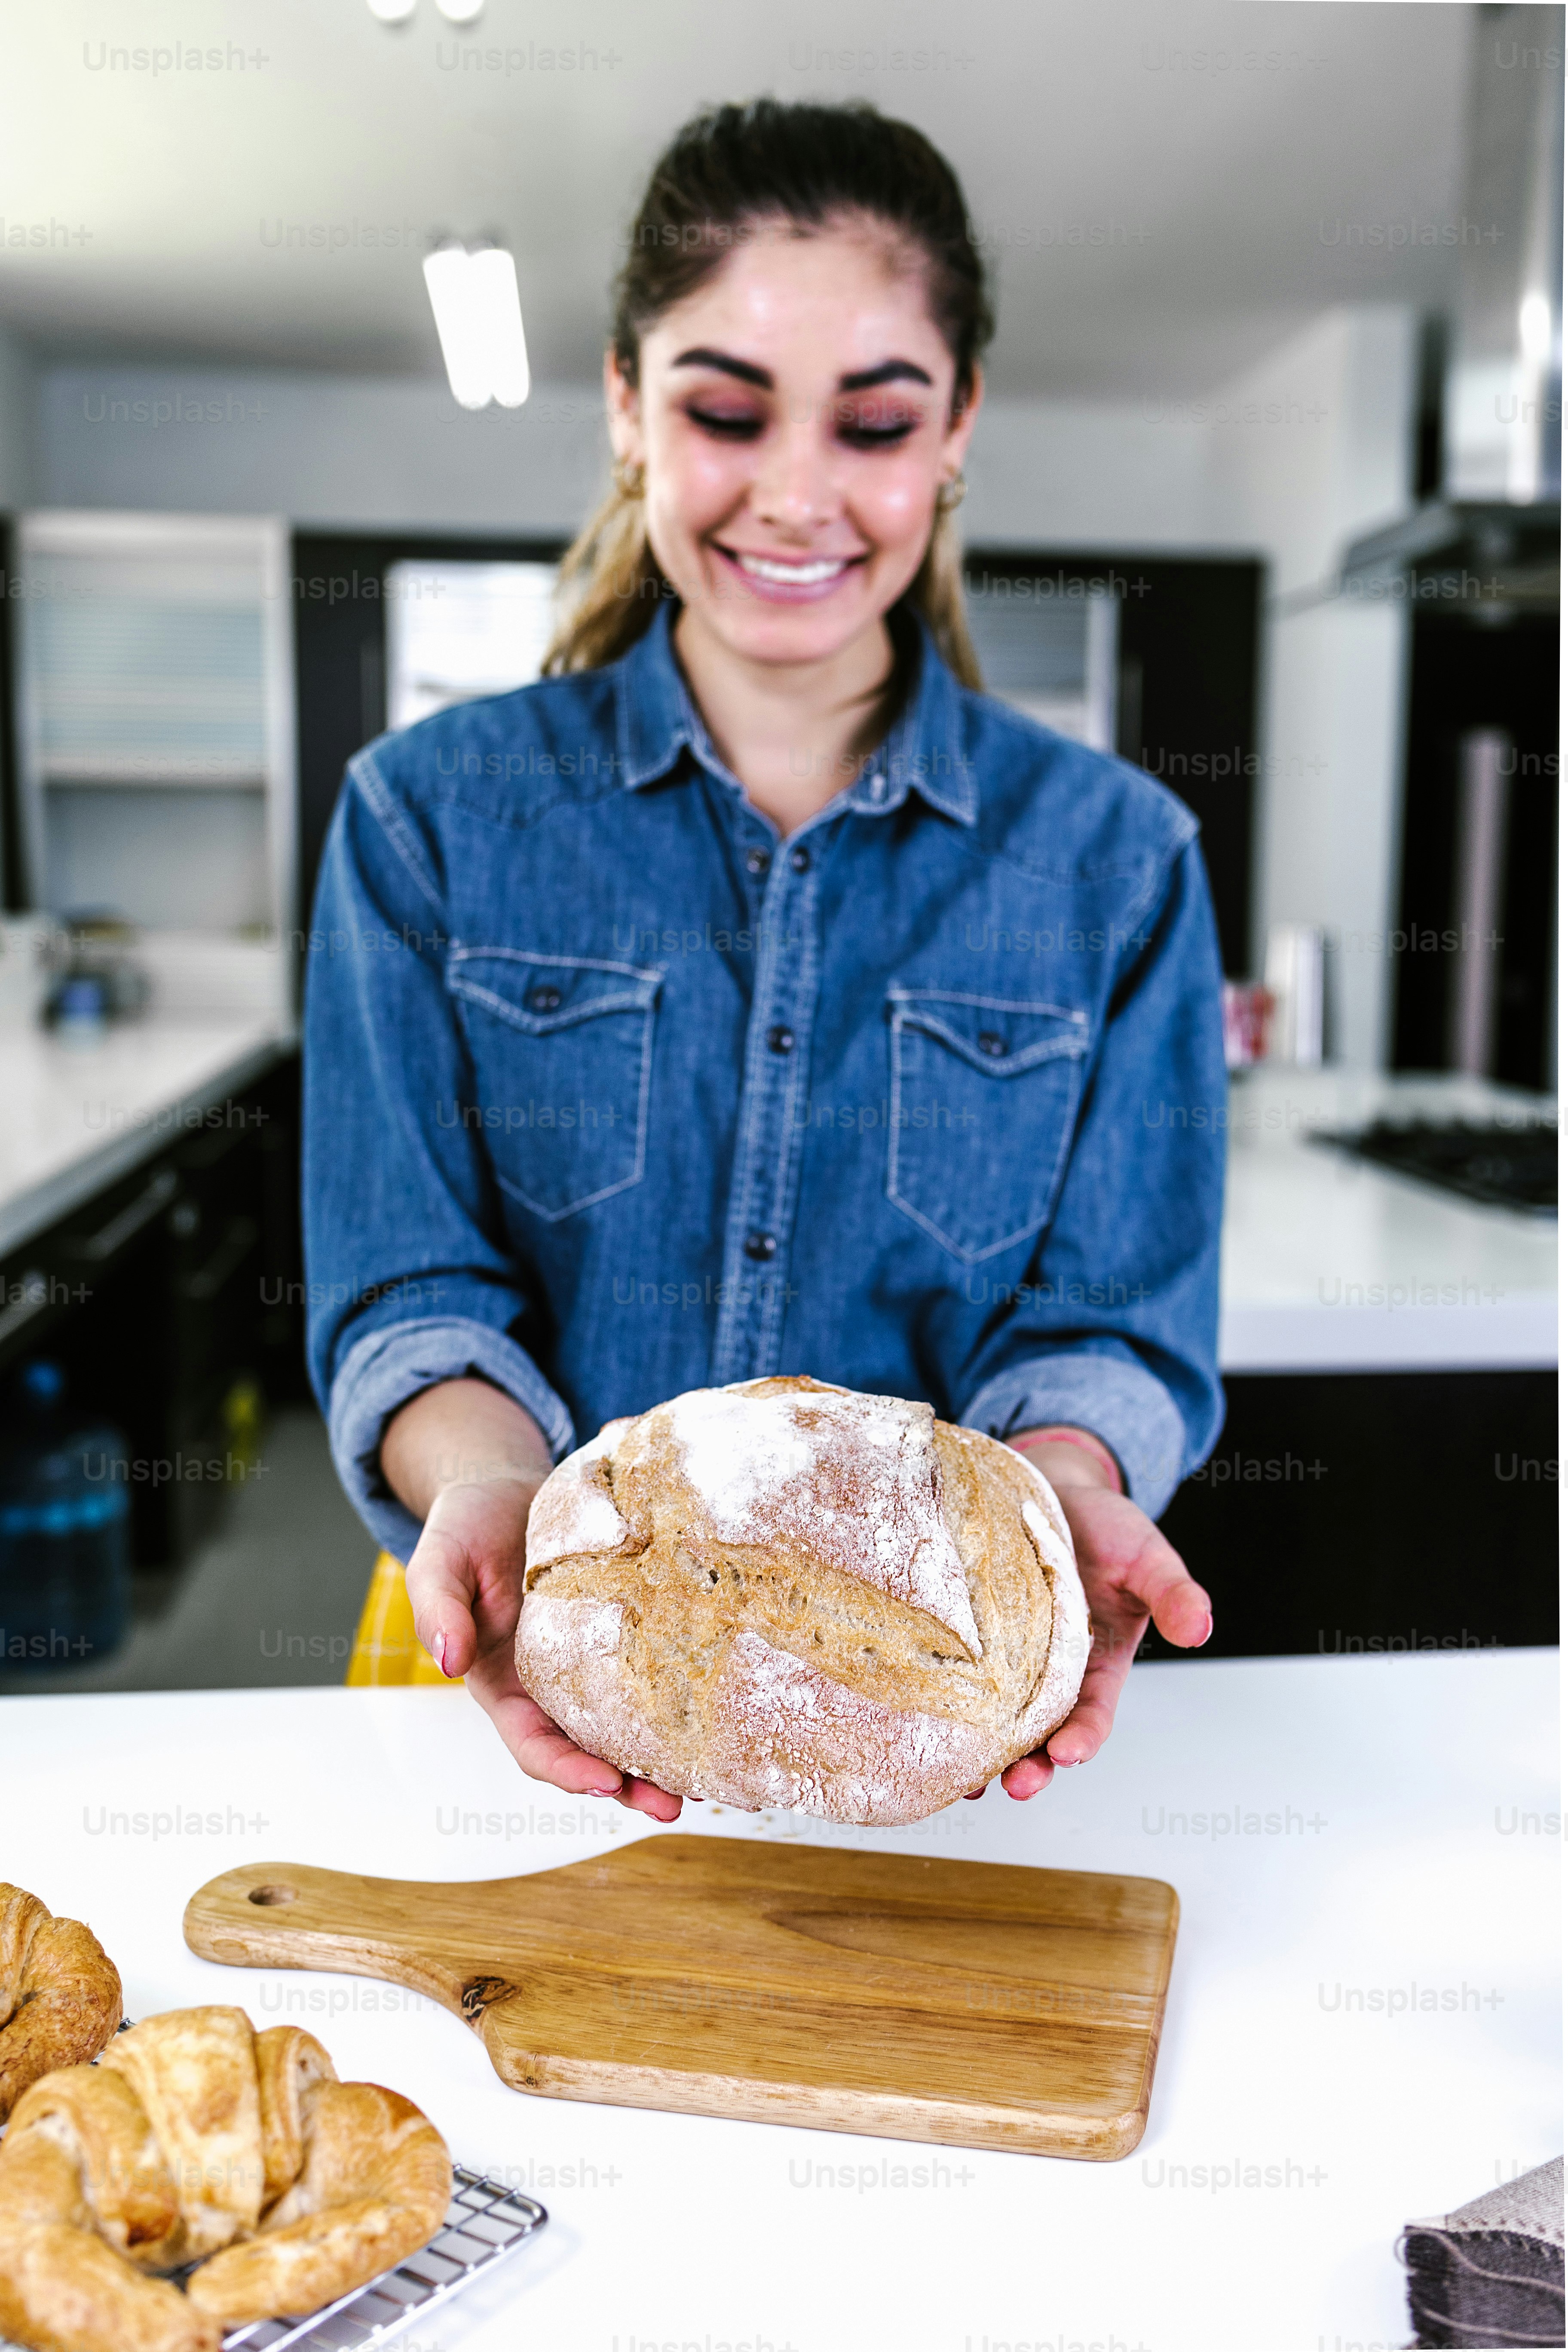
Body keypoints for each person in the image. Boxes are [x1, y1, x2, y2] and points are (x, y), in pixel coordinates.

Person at [304, 98, 1224, 1824]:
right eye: (727, 410)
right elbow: (403, 1288)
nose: (795, 494)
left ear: (957, 431)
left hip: (935, 1740)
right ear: (626, 407)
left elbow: (1111, 1324)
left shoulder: (1118, 866)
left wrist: (1061, 1499)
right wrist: (490, 1485)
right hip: (507, 1676)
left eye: (872, 424)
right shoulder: (427, 819)